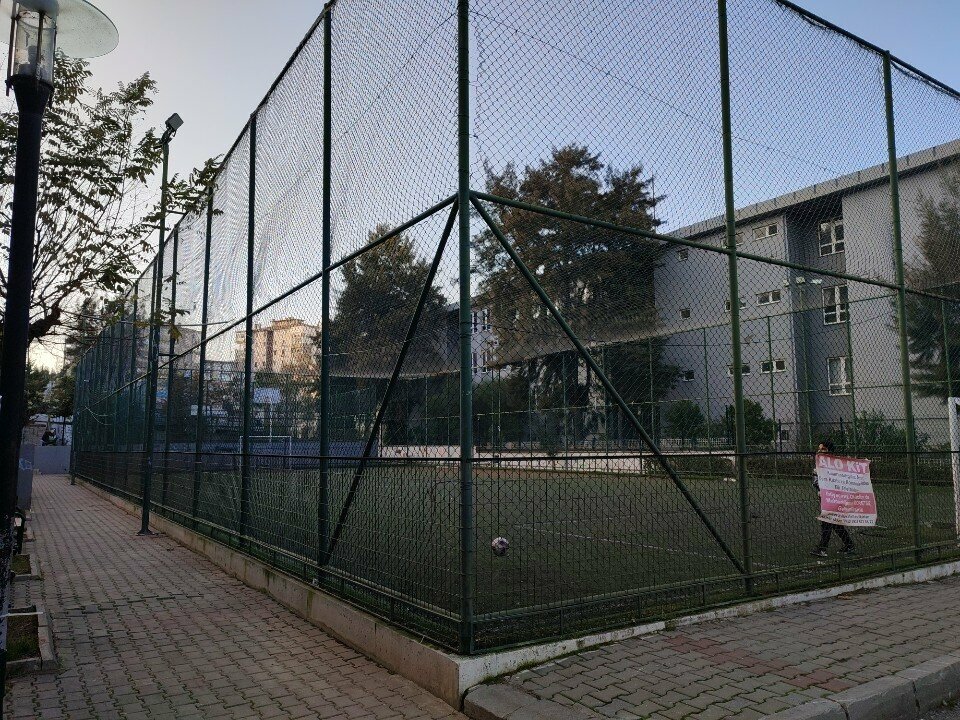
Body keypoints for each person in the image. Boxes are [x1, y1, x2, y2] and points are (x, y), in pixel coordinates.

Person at [811, 440, 855, 557]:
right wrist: (821, 487)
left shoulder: (837, 464)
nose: (820, 451)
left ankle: (822, 548)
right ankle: (849, 544)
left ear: (829, 451)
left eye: (823, 449)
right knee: (835, 523)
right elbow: (815, 481)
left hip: (834, 498)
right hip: (825, 497)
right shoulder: (819, 464)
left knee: (827, 521)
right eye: (819, 449)